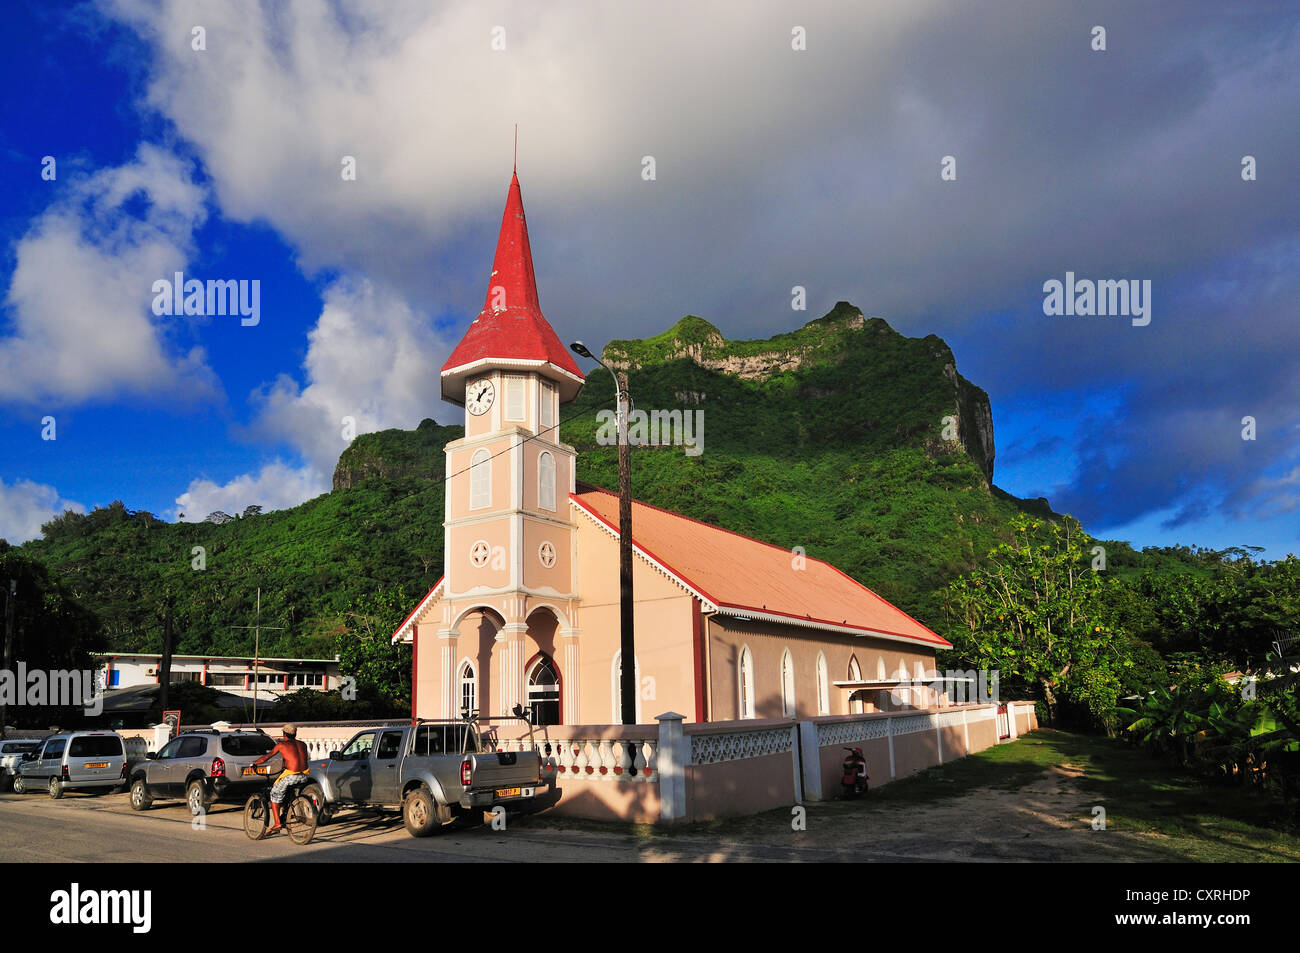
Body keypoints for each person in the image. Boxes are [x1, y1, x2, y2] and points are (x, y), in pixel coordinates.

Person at [250, 723, 310, 833]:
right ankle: (286, 810)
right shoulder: (303, 744)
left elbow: (267, 757)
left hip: (291, 776)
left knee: (274, 794)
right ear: (295, 733)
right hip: (304, 775)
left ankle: (277, 824)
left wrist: (255, 763)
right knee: (285, 790)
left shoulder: (281, 745)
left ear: (284, 734)